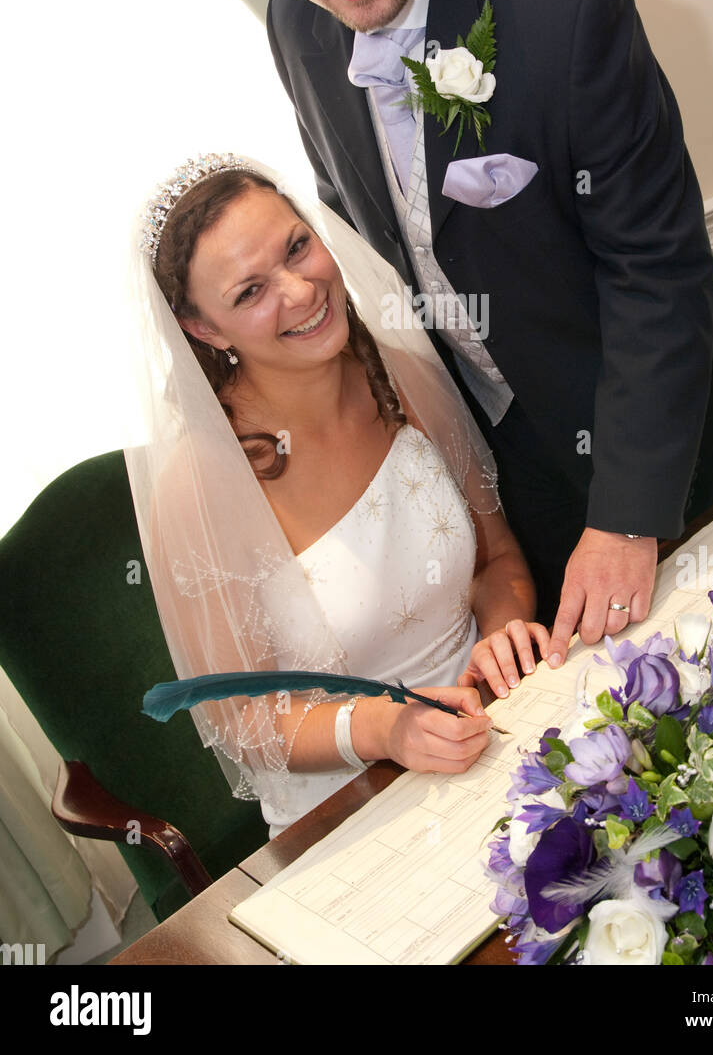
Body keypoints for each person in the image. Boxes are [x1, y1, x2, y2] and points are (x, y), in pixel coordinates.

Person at [236, 0, 713, 664]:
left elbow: (659, 274)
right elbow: (365, 226)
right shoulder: (294, 24)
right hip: (513, 490)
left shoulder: (571, 14)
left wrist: (624, 518)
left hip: (671, 455)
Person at [126, 153, 546, 837]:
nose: (300, 290)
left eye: (298, 246)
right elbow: (240, 721)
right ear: (204, 330)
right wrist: (383, 727)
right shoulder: (201, 487)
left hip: (495, 726)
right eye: (250, 292)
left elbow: (496, 561)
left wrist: (501, 637)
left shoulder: (402, 377)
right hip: (348, 810)